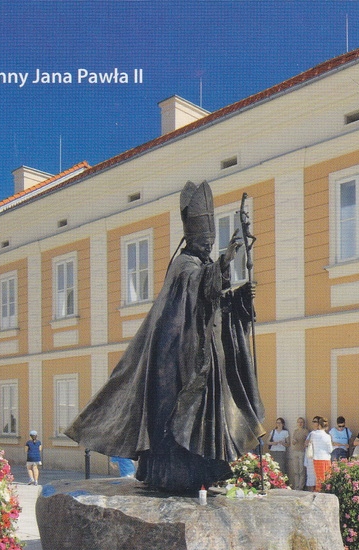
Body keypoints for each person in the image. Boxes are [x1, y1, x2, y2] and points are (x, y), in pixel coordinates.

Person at [65, 181, 265, 492]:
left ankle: (204, 473)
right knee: (177, 419)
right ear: (191, 237)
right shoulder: (184, 265)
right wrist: (226, 263)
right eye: (203, 241)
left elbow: (213, 302)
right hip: (176, 362)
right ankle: (172, 477)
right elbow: (195, 288)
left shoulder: (204, 263)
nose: (207, 247)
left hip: (204, 357)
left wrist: (240, 297)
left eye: (211, 243)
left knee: (208, 414)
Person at [307, 417, 333, 492]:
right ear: (326, 427)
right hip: (326, 459)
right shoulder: (328, 436)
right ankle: (326, 491)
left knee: (319, 478)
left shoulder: (313, 434)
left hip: (317, 458)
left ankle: (318, 492)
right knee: (327, 478)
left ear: (319, 425)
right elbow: (330, 450)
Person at [288, 417, 309, 490]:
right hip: (295, 451)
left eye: (301, 422)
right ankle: (296, 486)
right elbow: (293, 442)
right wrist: (294, 441)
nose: (300, 424)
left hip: (302, 452)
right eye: (298, 422)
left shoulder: (305, 431)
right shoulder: (295, 431)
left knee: (301, 470)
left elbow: (308, 441)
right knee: (296, 470)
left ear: (303, 423)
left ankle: (301, 487)